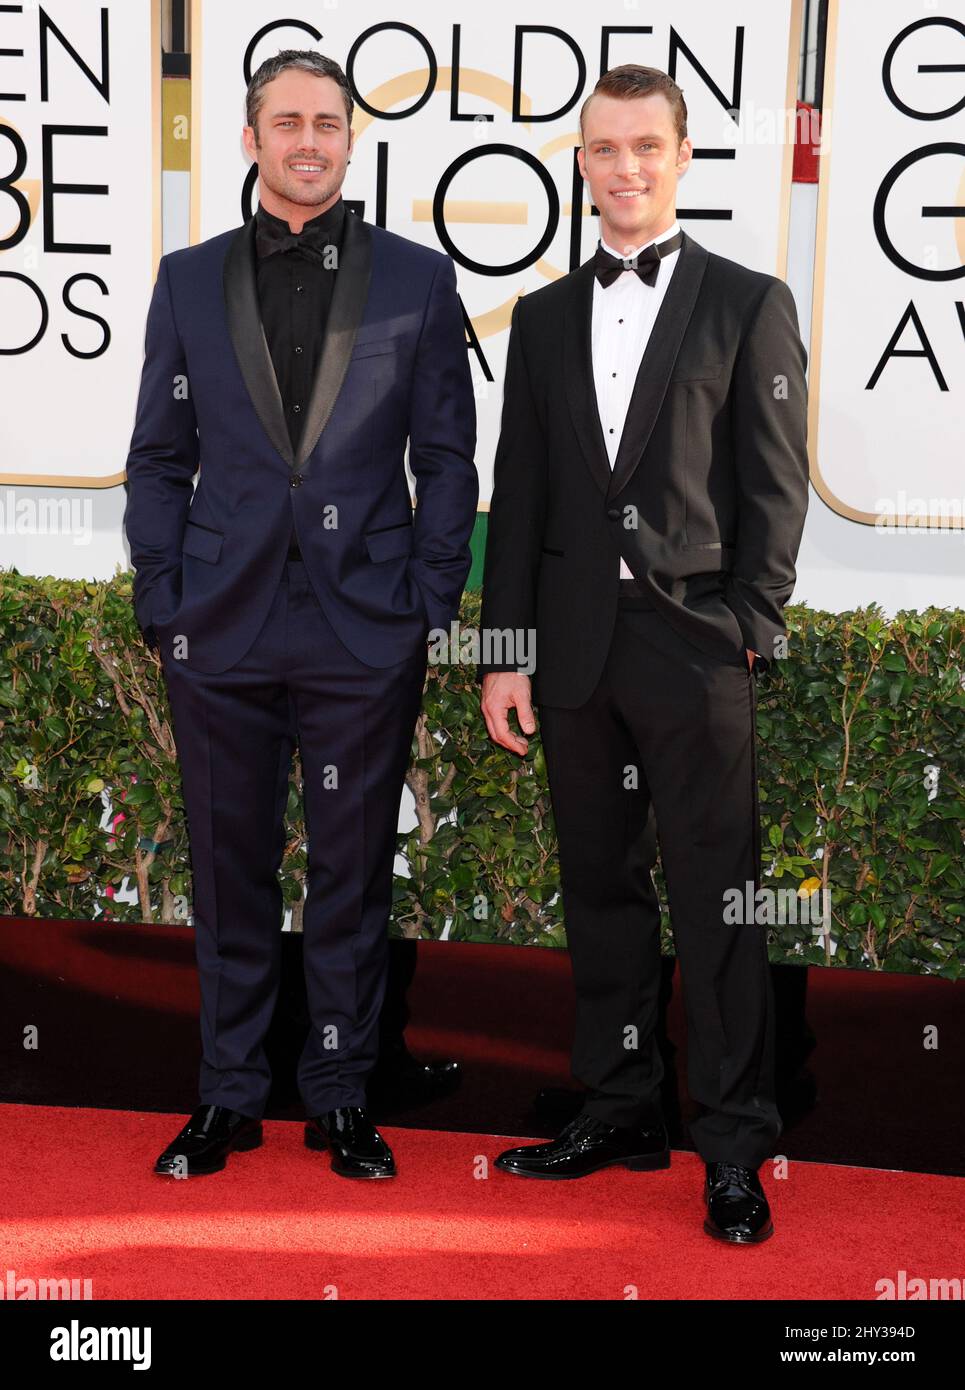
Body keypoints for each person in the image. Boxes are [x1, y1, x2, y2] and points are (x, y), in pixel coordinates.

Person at [124, 49, 477, 1180]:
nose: (308, 139)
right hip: (218, 627)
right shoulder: (185, 280)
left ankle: (338, 1098)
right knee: (229, 875)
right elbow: (156, 460)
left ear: (350, 138)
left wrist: (425, 605)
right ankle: (226, 1098)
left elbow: (448, 462)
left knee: (351, 875)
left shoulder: (416, 281)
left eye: (327, 120)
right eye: (287, 121)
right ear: (251, 138)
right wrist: (162, 596)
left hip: (360, 630)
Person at [478, 64, 809, 1243]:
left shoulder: (744, 300)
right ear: (581, 160)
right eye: (603, 148)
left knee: (720, 904)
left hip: (693, 653)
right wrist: (502, 653)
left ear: (678, 158)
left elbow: (774, 485)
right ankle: (619, 1108)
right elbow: (514, 497)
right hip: (569, 658)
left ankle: (732, 1145)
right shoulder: (547, 314)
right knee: (602, 899)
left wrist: (747, 628)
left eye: (644, 148)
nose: (623, 168)